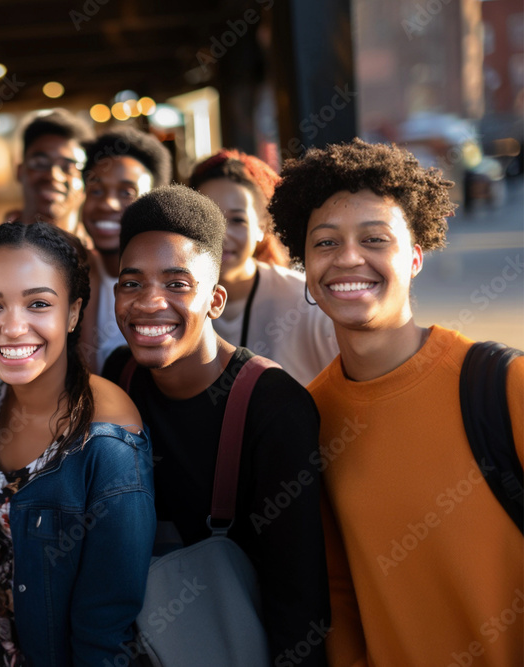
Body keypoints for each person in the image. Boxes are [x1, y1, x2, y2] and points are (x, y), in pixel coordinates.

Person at [268, 139, 523, 666]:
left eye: (374, 239)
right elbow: (336, 593)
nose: (348, 258)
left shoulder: (503, 384)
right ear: (306, 266)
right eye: (325, 242)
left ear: (415, 258)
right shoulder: (307, 417)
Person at [104, 184, 330, 665]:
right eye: (131, 283)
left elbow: (299, 602)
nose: (149, 302)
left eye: (177, 284)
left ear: (215, 300)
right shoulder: (118, 376)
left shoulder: (273, 407)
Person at [0, 221, 155, 666]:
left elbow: (105, 630)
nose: (13, 328)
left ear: (72, 313)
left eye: (38, 304)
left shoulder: (108, 441)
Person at [189, 149, 337, 385]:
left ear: (261, 227)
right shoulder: (173, 299)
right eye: (207, 219)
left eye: (237, 220)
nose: (221, 235)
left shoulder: (307, 301)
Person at [79, 127, 172, 372]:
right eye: (96, 191)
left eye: (126, 193)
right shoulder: (74, 274)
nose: (108, 204)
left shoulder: (172, 287)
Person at [8, 110, 93, 238]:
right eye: (40, 163)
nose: (54, 175)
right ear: (19, 171)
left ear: (85, 180)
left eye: (68, 167)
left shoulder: (97, 250)